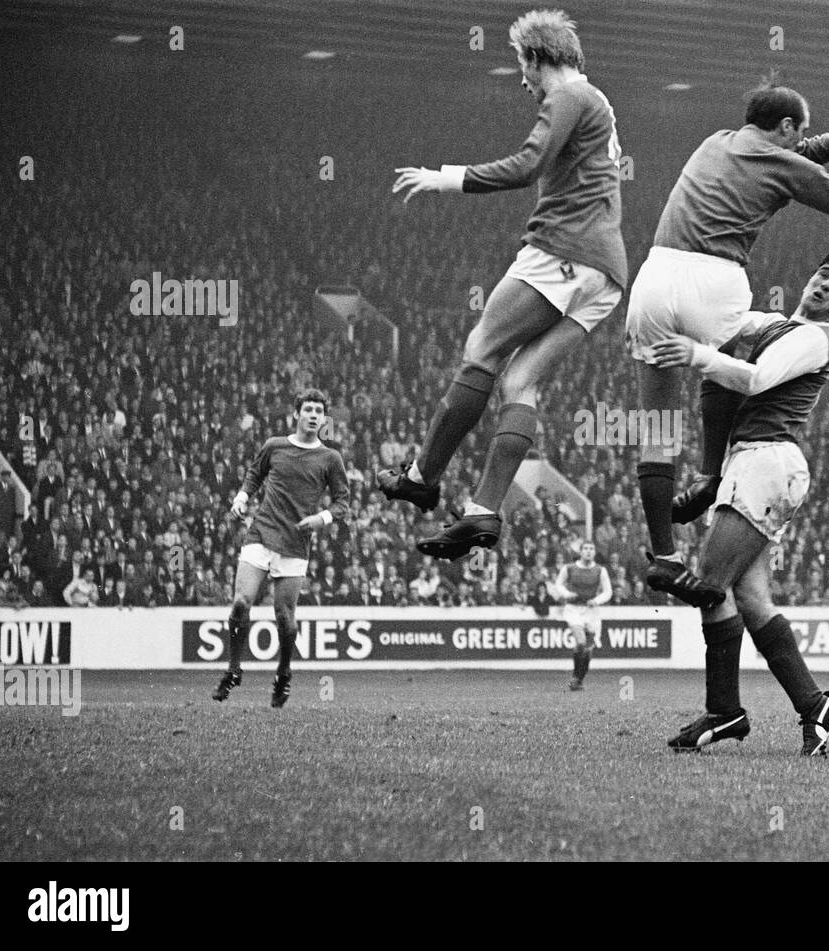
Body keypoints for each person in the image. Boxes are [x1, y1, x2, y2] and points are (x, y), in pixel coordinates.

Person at [626, 78, 829, 606]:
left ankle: (664, 555)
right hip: (712, 279)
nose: (804, 141)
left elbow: (793, 161)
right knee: (728, 368)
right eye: (803, 132)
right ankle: (708, 475)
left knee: (656, 427)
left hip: (654, 277)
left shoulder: (715, 142)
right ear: (787, 126)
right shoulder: (783, 162)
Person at [378, 9, 626, 563]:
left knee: (481, 352)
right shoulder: (599, 101)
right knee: (521, 382)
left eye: (523, 65)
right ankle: (483, 511)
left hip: (563, 251)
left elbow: (527, 165)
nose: (521, 79)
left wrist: (446, 178)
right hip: (605, 274)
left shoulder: (566, 99)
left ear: (539, 58)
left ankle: (422, 477)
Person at [650, 251, 829, 755]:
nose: (823, 286)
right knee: (750, 600)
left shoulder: (817, 337)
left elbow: (754, 379)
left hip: (767, 462)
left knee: (710, 586)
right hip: (754, 463)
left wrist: (694, 354)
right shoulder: (774, 323)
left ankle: (725, 711)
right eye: (822, 275)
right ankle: (815, 706)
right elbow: (723, 321)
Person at [213, 389, 350, 708]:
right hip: (261, 533)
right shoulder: (275, 445)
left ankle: (284, 673)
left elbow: (343, 502)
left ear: (323, 418)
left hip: (295, 543)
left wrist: (322, 518)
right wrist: (242, 497)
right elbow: (254, 475)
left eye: (319, 411)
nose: (314, 415)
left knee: (285, 618)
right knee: (240, 603)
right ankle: (233, 670)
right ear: (297, 414)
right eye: (308, 409)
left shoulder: (330, 458)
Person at [551, 541, 611, 690]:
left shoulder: (600, 570)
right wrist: (566, 594)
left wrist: (596, 600)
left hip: (591, 612)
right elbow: (558, 584)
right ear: (581, 551)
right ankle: (575, 678)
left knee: (588, 650)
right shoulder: (569, 568)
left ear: (595, 552)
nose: (588, 551)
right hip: (573, 609)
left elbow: (608, 592)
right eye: (586, 549)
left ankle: (578, 680)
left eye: (591, 549)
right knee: (581, 642)